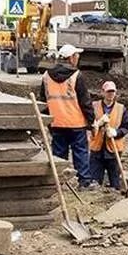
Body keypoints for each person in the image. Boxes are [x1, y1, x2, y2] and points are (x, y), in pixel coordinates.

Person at [38, 43, 96, 189]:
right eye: (76, 56)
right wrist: (91, 122)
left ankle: (59, 182)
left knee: (58, 154)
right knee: (80, 153)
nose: (78, 58)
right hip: (76, 123)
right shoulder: (76, 76)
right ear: (71, 58)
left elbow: (43, 101)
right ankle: (84, 182)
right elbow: (85, 102)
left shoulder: (46, 76)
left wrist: (47, 120)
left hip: (56, 122)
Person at [88, 80, 128, 190]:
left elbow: (126, 128)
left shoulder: (121, 109)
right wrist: (97, 124)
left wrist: (116, 132)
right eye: (108, 92)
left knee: (115, 181)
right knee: (95, 181)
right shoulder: (94, 106)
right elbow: (88, 125)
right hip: (97, 149)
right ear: (102, 92)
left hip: (113, 150)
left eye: (112, 92)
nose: (110, 94)